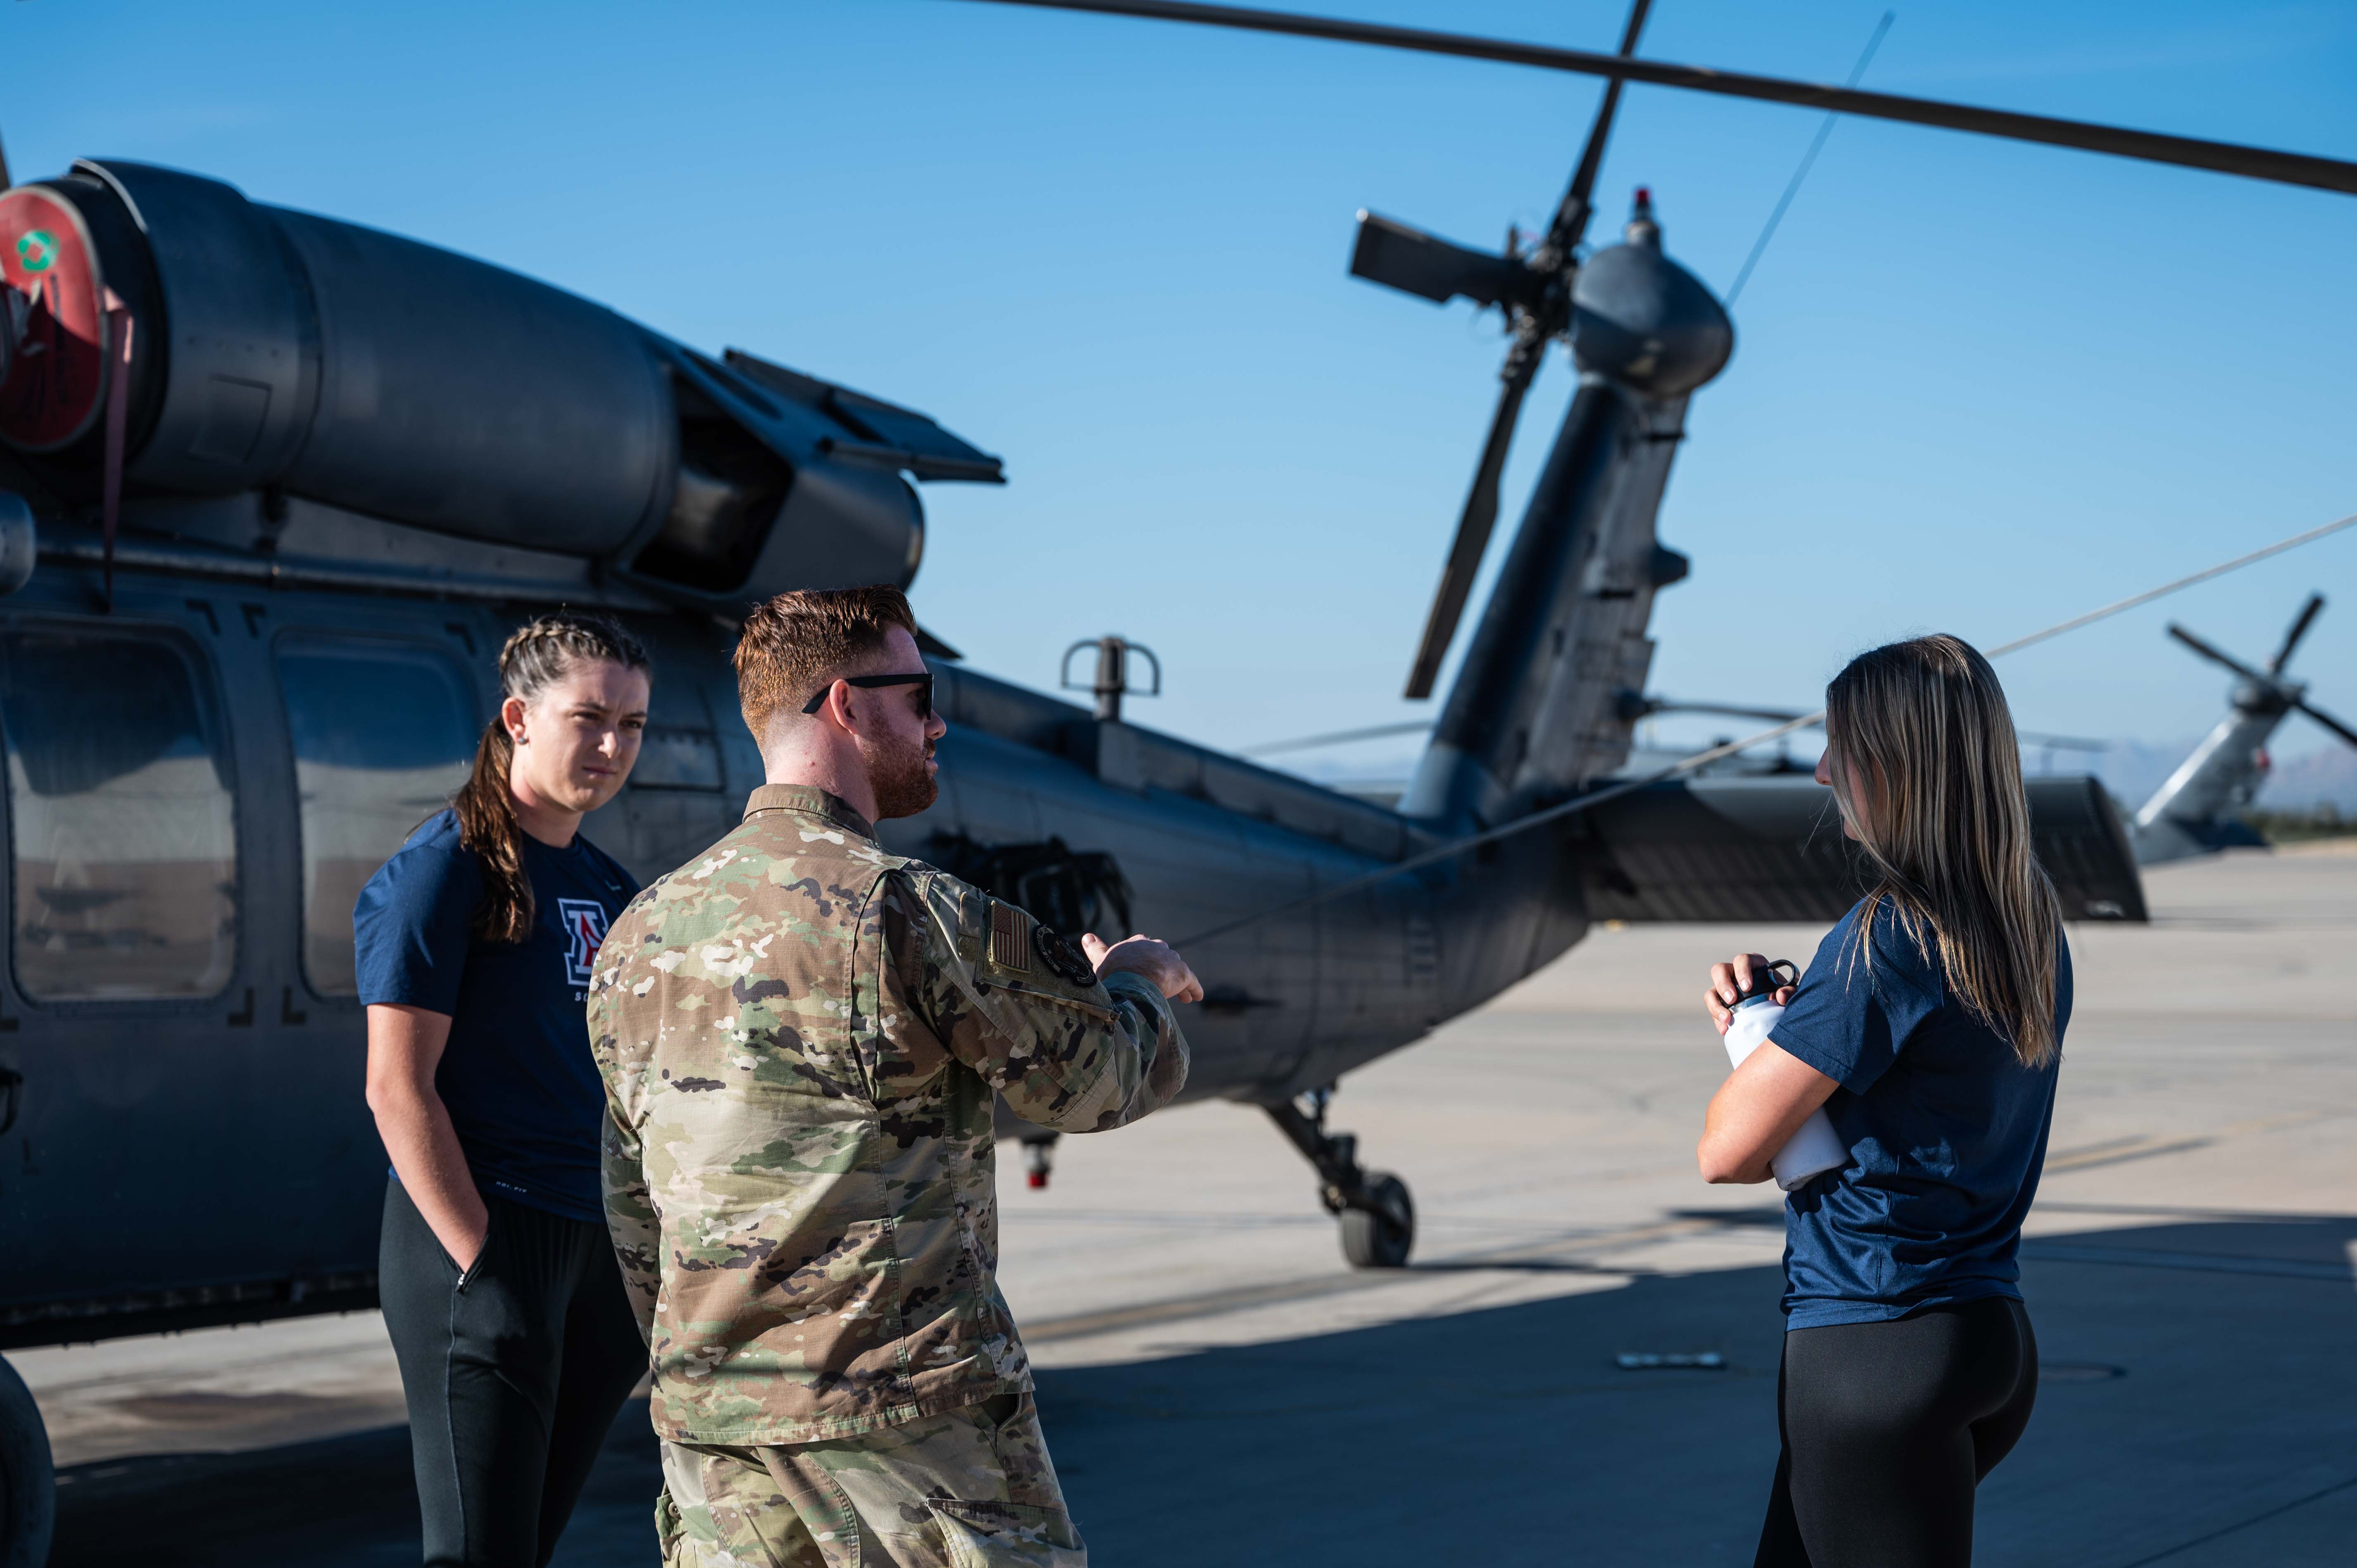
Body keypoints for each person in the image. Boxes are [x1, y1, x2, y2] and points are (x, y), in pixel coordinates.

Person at [587, 585, 1198, 1568]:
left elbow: (633, 1204)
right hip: (906, 1420)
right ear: (844, 703)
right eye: (919, 696)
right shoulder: (911, 912)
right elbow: (1097, 1084)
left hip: (718, 1427)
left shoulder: (639, 933)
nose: (937, 723)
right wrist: (1135, 982)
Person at [1697, 634, 2070, 1568]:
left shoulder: (1884, 938)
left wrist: (1751, 1035)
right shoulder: (2026, 921)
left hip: (1875, 1348)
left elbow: (1728, 1152)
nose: (1823, 771)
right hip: (1986, 1335)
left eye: (1842, 748)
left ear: (1901, 765)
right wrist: (1808, 1027)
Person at [359, 612, 655, 1568]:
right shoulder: (442, 871)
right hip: (484, 1234)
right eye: (590, 718)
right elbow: (397, 1088)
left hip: (590, 1245)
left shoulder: (609, 885)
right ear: (520, 717)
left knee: (525, 1549)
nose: (612, 746)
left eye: (633, 724)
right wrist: (484, 1265)